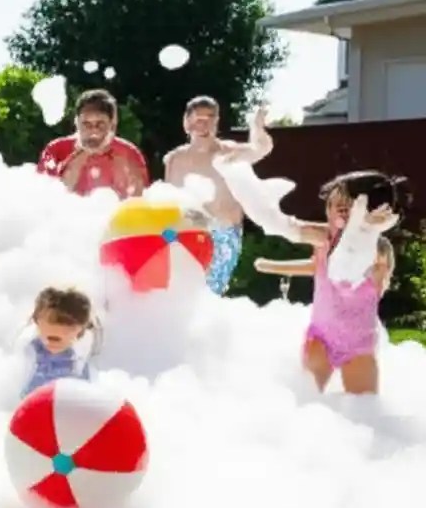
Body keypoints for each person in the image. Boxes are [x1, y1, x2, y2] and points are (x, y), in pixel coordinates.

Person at [252, 171, 408, 395]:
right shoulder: (324, 241)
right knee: (307, 399)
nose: (342, 209)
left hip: (360, 344)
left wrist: (369, 229)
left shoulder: (377, 249)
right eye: (336, 205)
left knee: (364, 410)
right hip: (322, 337)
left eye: (349, 204)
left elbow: (358, 265)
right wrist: (272, 266)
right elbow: (317, 267)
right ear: (328, 211)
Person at [164, 97, 274, 295]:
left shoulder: (230, 153)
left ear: (217, 122)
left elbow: (262, 148)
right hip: (185, 235)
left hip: (223, 235)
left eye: (210, 118)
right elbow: (168, 201)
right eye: (199, 119)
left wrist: (257, 126)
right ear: (187, 123)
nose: (204, 124)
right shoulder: (175, 159)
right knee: (182, 295)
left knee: (209, 295)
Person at [37, 89, 149, 199]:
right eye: (86, 124)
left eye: (100, 124)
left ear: (112, 124)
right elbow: (46, 198)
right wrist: (82, 154)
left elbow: (138, 202)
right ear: (76, 122)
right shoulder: (56, 149)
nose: (93, 130)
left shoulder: (129, 153)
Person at [20, 286, 100, 397]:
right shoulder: (26, 354)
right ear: (37, 320)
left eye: (68, 324)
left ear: (81, 329)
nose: (58, 329)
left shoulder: (78, 367)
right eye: (51, 320)